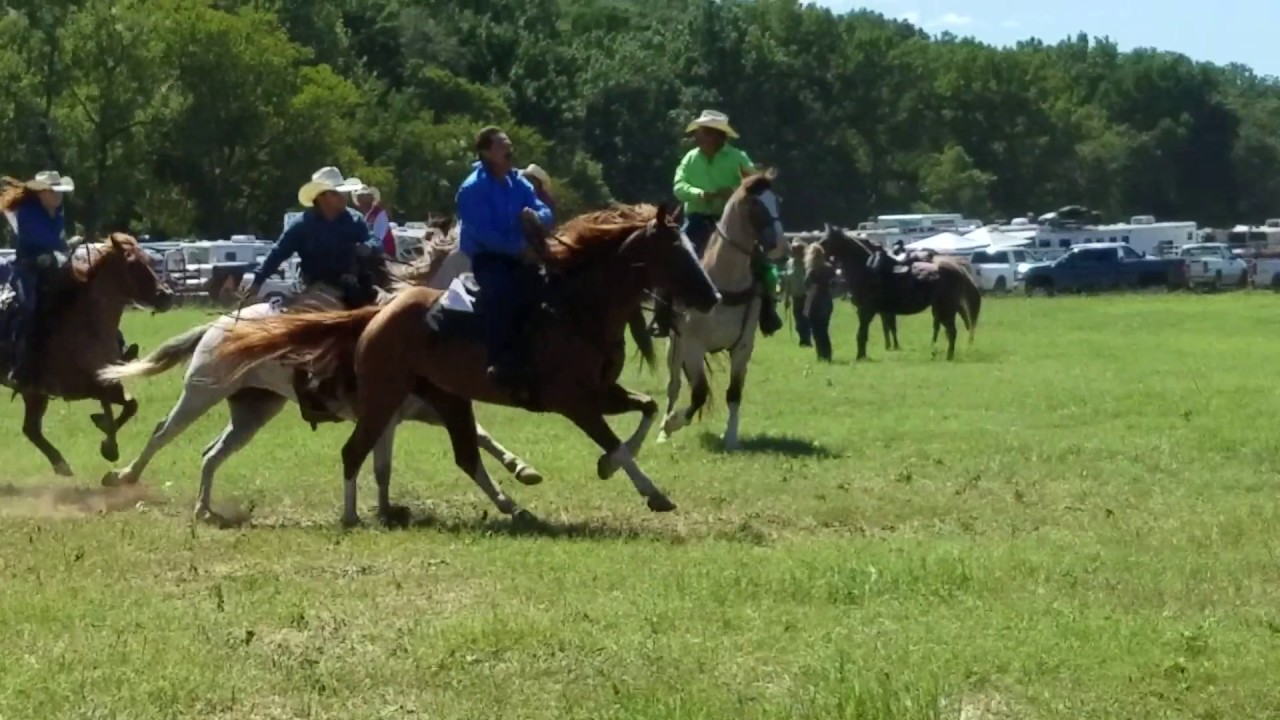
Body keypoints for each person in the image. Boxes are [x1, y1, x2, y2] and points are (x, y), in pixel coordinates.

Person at [246, 166, 381, 427]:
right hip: (316, 286)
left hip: (354, 286)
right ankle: (313, 384)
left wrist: (368, 247)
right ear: (323, 197)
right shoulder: (302, 226)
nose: (344, 198)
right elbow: (278, 253)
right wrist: (258, 281)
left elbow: (374, 239)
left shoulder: (353, 220)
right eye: (337, 193)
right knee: (314, 332)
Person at [654, 109, 783, 338]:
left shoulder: (738, 158)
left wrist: (734, 193)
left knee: (763, 264)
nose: (698, 136)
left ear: (716, 135)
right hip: (696, 219)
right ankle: (662, 317)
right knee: (672, 259)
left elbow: (756, 185)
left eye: (702, 132)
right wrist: (701, 194)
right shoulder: (690, 158)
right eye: (699, 132)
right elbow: (679, 186)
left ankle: (768, 312)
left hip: (730, 221)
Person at [455, 126, 553, 402]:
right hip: (490, 259)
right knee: (503, 294)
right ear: (486, 152)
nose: (509, 150)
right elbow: (482, 233)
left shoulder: (517, 181)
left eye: (508, 145)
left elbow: (544, 210)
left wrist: (537, 215)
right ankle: (499, 364)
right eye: (502, 146)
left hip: (523, 254)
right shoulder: (473, 188)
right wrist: (519, 249)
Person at [2, 171, 75, 387]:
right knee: (28, 307)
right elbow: (43, 238)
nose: (59, 196)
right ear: (42, 193)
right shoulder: (26, 212)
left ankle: (116, 346)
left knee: (85, 292)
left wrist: (62, 246)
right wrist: (64, 244)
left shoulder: (58, 210)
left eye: (60, 192)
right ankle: (19, 362)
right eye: (55, 191)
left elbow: (55, 239)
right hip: (27, 270)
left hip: (52, 266)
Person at [803, 243, 836, 363]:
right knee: (824, 329)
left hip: (815, 302)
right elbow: (834, 284)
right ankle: (827, 354)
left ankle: (821, 355)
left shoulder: (811, 271)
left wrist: (806, 307)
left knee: (816, 331)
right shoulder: (829, 269)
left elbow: (808, 288)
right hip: (827, 301)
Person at [781, 239, 811, 347]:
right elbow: (788, 281)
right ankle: (804, 339)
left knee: (805, 320)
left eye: (795, 250)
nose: (792, 252)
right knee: (798, 322)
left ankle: (806, 341)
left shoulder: (806, 264)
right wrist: (786, 299)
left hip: (806, 297)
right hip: (795, 297)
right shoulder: (789, 263)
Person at [354, 184, 396, 258]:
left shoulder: (379, 215)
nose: (361, 200)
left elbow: (379, 239)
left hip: (385, 255)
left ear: (371, 199)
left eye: (365, 197)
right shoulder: (363, 216)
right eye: (360, 197)